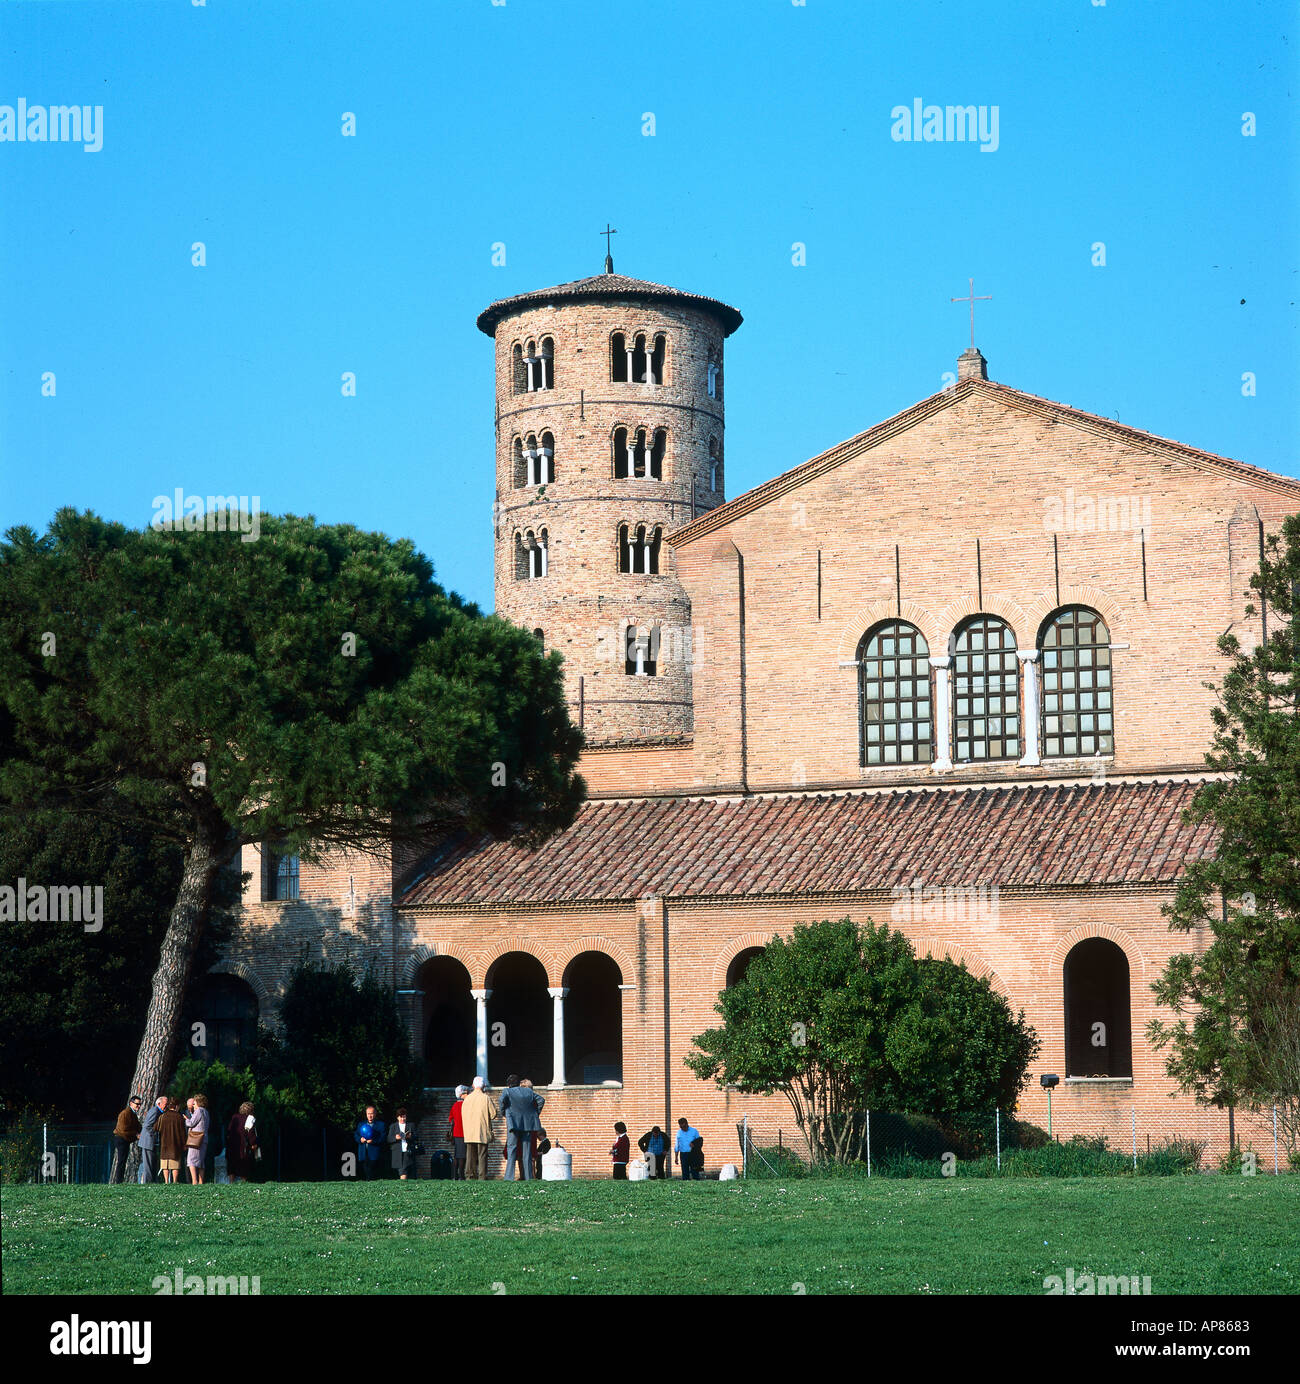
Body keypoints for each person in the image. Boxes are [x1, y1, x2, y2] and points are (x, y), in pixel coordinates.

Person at [499, 1074, 545, 1181]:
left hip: (513, 1124)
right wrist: (534, 1113)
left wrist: (504, 1113)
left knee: (512, 1149)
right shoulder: (528, 1091)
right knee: (527, 1152)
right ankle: (528, 1177)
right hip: (528, 1124)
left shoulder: (507, 1091)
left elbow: (501, 1101)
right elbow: (541, 1100)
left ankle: (509, 1177)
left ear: (508, 1084)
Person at [460, 1077, 497, 1180]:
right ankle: (482, 1176)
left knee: (470, 1156)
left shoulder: (467, 1099)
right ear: (484, 1086)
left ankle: (469, 1176)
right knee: (482, 1155)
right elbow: (493, 1114)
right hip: (482, 1131)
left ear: (473, 1086)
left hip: (469, 1132)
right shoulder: (486, 1098)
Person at [110, 1095, 143, 1185]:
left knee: (123, 1160)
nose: (139, 1106)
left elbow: (137, 1126)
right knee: (121, 1161)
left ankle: (119, 1180)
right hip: (121, 1139)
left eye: (140, 1104)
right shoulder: (125, 1113)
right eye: (137, 1104)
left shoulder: (132, 1113)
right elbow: (123, 1130)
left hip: (124, 1139)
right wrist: (136, 1135)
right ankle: (118, 1181)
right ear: (131, 1103)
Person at [225, 1101, 258, 1183]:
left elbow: (229, 1130)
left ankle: (231, 1182)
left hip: (232, 1144)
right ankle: (243, 1182)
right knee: (243, 1164)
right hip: (243, 1146)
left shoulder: (234, 1117)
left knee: (232, 1164)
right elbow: (251, 1133)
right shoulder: (250, 1118)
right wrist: (253, 1143)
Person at [157, 1098, 187, 1185]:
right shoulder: (179, 1117)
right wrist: (184, 1143)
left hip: (164, 1143)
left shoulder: (162, 1116)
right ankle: (174, 1181)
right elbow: (182, 1132)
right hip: (175, 1143)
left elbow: (156, 1128)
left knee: (165, 1164)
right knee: (175, 1164)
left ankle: (166, 1181)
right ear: (176, 1106)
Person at [138, 1095, 166, 1184]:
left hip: (151, 1141)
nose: (167, 1105)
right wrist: (156, 1133)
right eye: (166, 1103)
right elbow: (147, 1126)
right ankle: (148, 1183)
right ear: (159, 1103)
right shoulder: (155, 1111)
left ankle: (152, 1182)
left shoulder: (158, 1111)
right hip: (148, 1141)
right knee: (148, 1165)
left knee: (152, 1163)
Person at [184, 1094, 211, 1185]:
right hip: (204, 1139)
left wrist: (186, 1119)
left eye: (194, 1104)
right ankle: (201, 1181)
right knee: (201, 1161)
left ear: (199, 1103)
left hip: (196, 1139)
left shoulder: (199, 1111)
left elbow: (191, 1123)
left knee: (191, 1160)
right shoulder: (206, 1112)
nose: (193, 1106)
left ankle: (194, 1181)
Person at [355, 1104, 386, 1181]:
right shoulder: (361, 1124)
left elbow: (383, 1138)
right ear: (366, 1114)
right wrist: (360, 1139)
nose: (370, 1115)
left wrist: (373, 1141)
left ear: (375, 1114)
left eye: (372, 1113)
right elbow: (356, 1135)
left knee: (373, 1172)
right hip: (363, 1152)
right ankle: (368, 1185)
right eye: (368, 1114)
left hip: (374, 1153)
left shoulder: (381, 1125)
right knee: (365, 1171)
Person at [388, 1107, 417, 1180]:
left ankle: (403, 1184)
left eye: (404, 1117)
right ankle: (403, 1185)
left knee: (404, 1170)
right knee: (402, 1170)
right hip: (397, 1152)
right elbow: (389, 1139)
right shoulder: (393, 1126)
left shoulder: (411, 1125)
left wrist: (410, 1136)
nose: (403, 1119)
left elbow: (416, 1137)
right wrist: (396, 1137)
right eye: (401, 1117)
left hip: (408, 1151)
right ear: (397, 1117)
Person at [448, 1085, 468, 1180]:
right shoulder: (464, 1105)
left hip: (456, 1133)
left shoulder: (454, 1105)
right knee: (462, 1156)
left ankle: (454, 1175)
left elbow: (450, 1118)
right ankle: (461, 1176)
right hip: (463, 1133)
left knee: (457, 1155)